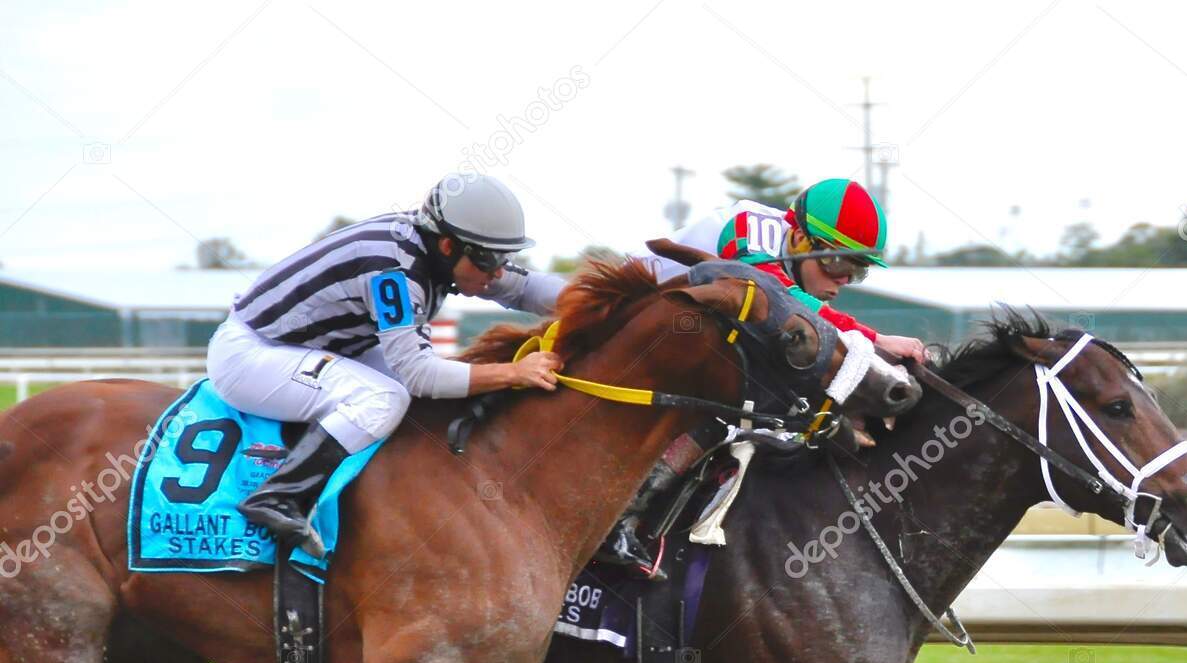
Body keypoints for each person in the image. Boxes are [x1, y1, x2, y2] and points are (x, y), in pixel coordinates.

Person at [208, 174, 566, 557]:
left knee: (424, 392)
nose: (498, 272)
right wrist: (514, 372)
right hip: (253, 355)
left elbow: (526, 289)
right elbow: (419, 373)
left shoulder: (441, 252)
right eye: (490, 259)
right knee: (385, 398)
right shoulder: (392, 270)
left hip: (322, 346)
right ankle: (278, 497)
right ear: (448, 245)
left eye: (503, 257)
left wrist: (611, 301)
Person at [601, 177, 924, 574]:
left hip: (674, 330)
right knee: (719, 415)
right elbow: (783, 301)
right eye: (838, 263)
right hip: (612, 320)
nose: (842, 280)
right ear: (802, 240)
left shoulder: (788, 247)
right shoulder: (752, 227)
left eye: (856, 272)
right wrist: (874, 340)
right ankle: (617, 520)